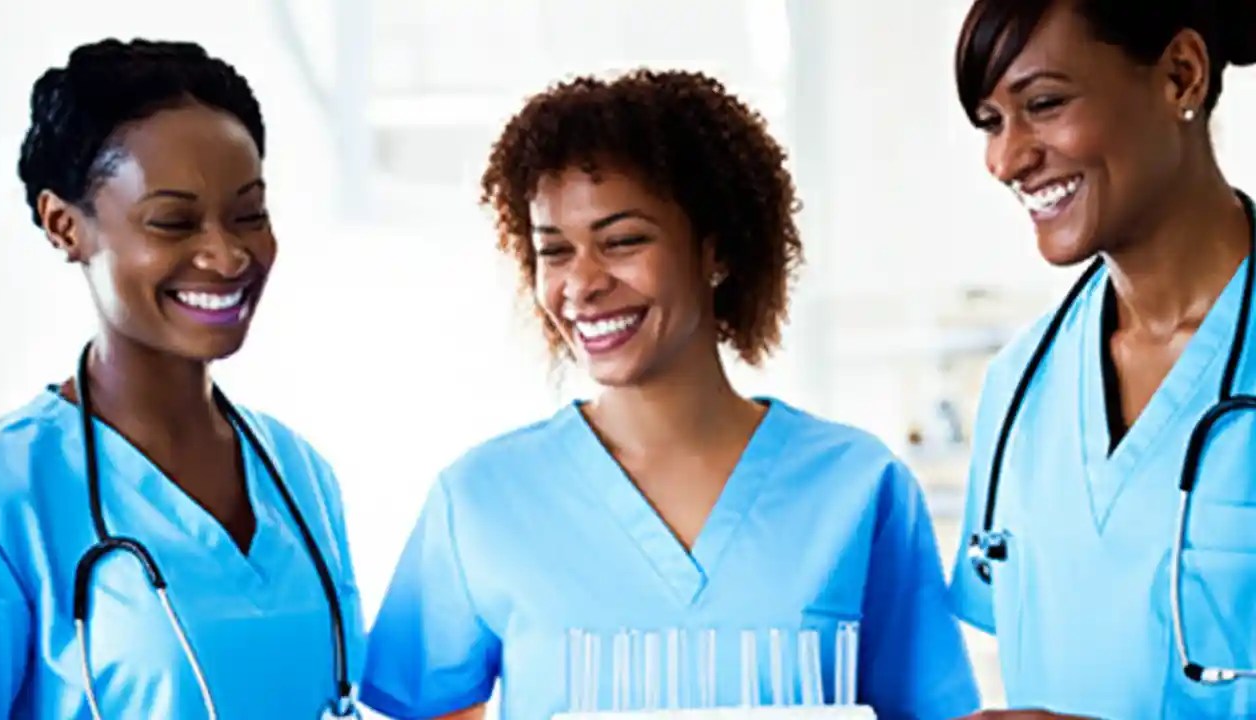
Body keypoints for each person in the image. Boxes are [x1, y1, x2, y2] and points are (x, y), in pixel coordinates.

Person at [358, 68, 980, 720]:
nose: (583, 283)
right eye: (555, 251)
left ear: (717, 250)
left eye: (623, 241)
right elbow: (422, 710)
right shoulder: (482, 498)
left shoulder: (857, 485)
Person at [0, 39, 364, 718]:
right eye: (173, 222)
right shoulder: (2, 497)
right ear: (65, 226)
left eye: (249, 214)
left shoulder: (300, 474)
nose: (226, 253)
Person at [947, 1, 1256, 718]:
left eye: (1044, 104)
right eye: (992, 122)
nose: (1005, 160)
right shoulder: (1018, 388)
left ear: (1181, 76)